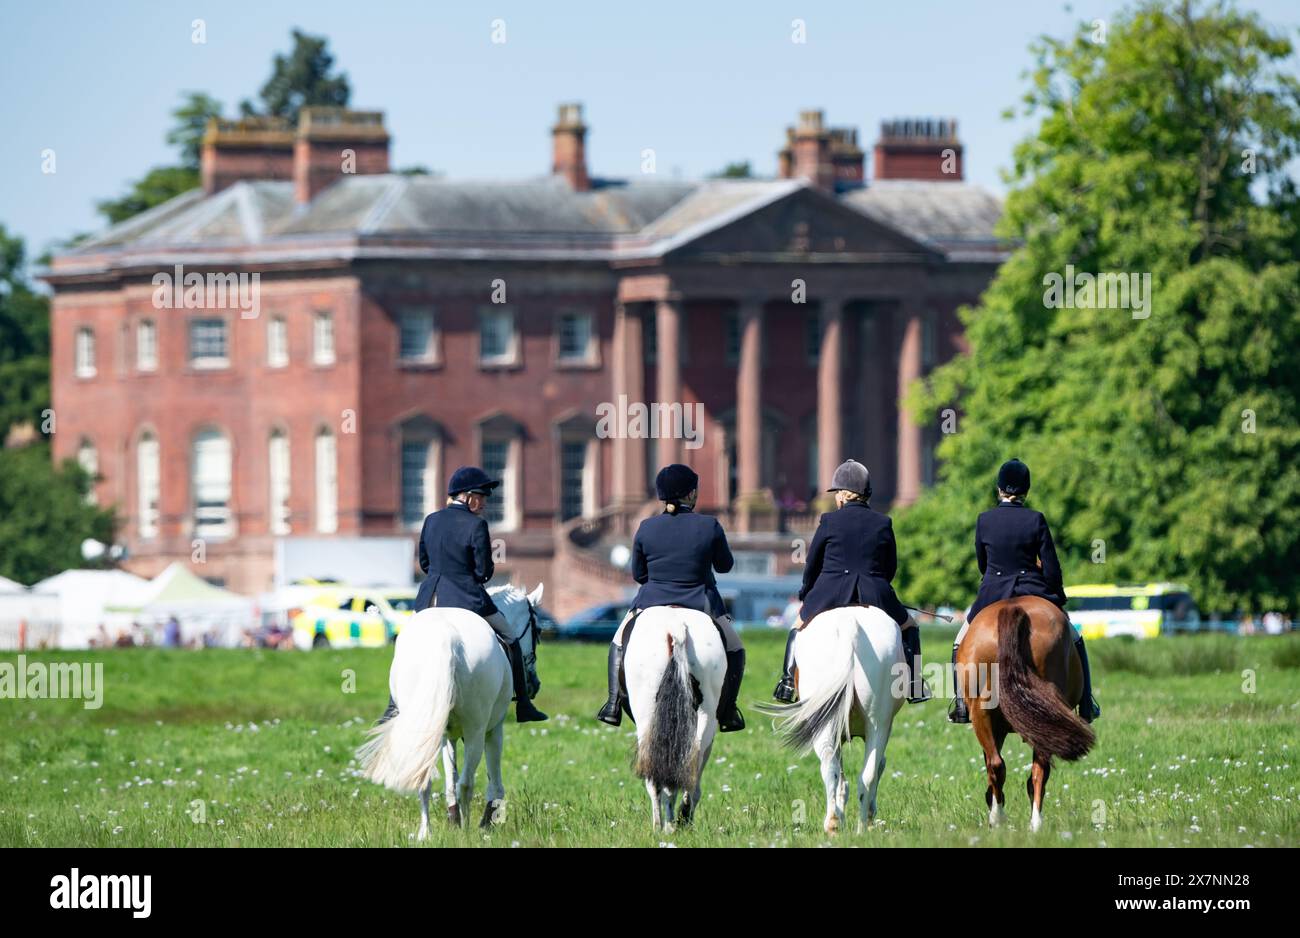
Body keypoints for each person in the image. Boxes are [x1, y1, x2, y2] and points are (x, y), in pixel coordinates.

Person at [379, 465, 547, 725]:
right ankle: (524, 704)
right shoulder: (477, 525)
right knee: (511, 638)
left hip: (431, 598)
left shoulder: (430, 520)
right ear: (467, 497)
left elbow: (424, 562)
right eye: (481, 498)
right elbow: (483, 572)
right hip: (467, 597)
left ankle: (393, 706)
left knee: (405, 641)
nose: (483, 504)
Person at [595, 464, 746, 731]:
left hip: (651, 599)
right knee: (735, 648)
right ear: (689, 495)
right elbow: (724, 566)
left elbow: (638, 574)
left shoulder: (646, 527)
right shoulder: (709, 525)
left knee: (618, 642)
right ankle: (729, 711)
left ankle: (612, 703)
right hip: (701, 600)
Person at [948, 458, 1099, 724]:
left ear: (999, 489)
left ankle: (961, 703)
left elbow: (983, 563)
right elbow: (1051, 567)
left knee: (960, 642)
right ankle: (1087, 703)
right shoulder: (1036, 519)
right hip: (1033, 587)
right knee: (1076, 639)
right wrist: (1057, 595)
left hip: (992, 592)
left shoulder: (985, 520)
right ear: (1026, 490)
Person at [772, 459, 930, 705]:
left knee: (797, 625)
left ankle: (787, 682)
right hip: (874, 590)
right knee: (911, 626)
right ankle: (914, 684)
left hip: (829, 591)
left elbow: (812, 564)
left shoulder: (828, 520)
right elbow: (890, 567)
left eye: (836, 493)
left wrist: (807, 594)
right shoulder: (883, 522)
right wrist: (879, 586)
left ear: (843, 496)